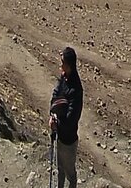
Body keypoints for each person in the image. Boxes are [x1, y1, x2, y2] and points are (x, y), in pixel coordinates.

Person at [49, 46, 84, 188]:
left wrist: (57, 123)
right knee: (60, 170)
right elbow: (55, 95)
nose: (60, 65)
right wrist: (52, 114)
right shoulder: (64, 78)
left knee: (70, 174)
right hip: (59, 136)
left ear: (68, 64)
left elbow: (71, 118)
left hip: (69, 142)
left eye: (62, 62)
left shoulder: (76, 90)